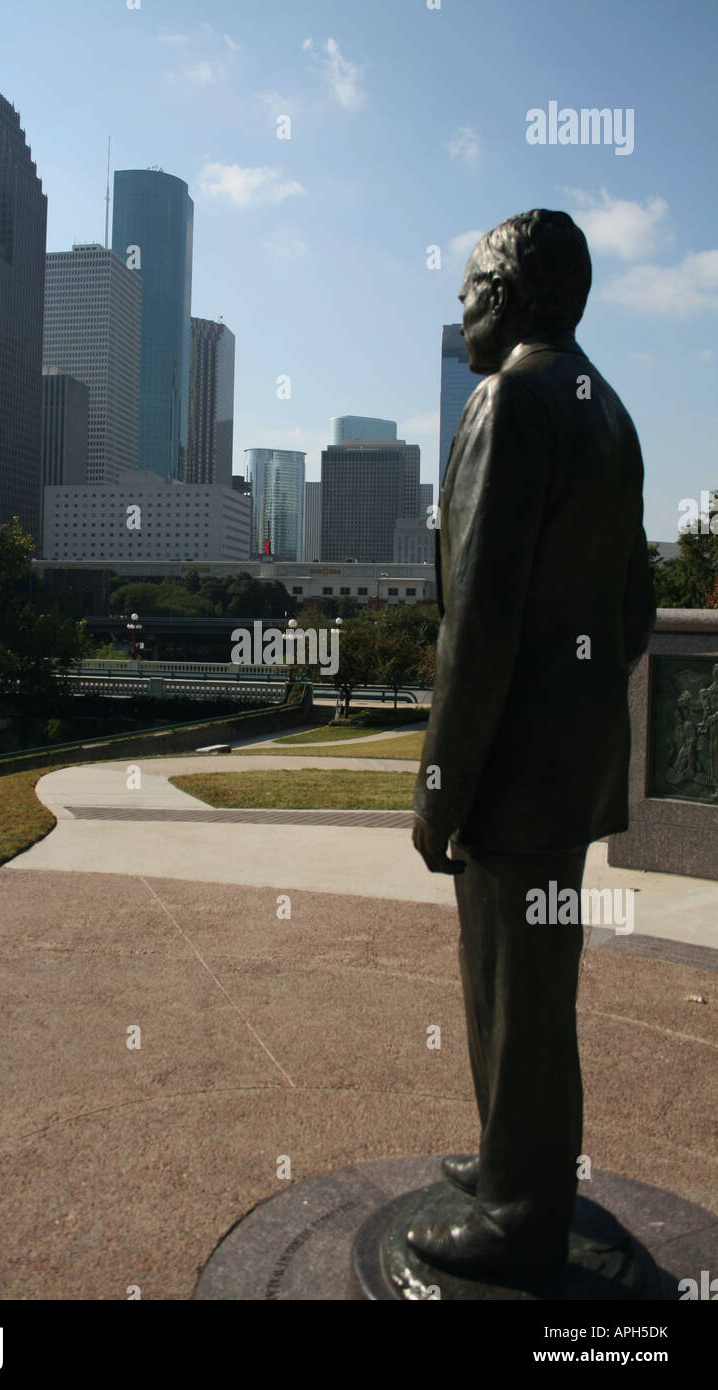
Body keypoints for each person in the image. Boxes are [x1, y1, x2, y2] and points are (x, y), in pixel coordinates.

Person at [410, 209, 655, 1277]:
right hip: (569, 759)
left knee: (513, 991)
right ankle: (519, 1161)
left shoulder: (506, 398)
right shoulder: (605, 409)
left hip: (510, 769)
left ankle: (519, 1212)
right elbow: (634, 604)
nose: (459, 304)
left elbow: (478, 622)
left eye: (469, 284)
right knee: (531, 989)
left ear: (508, 290)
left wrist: (438, 785)